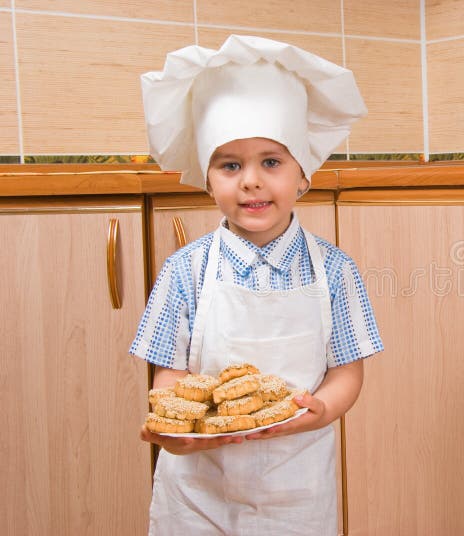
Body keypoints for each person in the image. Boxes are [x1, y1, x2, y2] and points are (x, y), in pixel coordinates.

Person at [129, 35, 383, 535]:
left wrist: (322, 408)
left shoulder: (335, 270)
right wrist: (177, 433)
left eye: (271, 161)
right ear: (207, 180)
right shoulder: (184, 270)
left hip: (296, 489)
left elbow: (347, 373)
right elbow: (169, 378)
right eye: (229, 165)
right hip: (197, 493)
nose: (250, 181)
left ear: (303, 175)